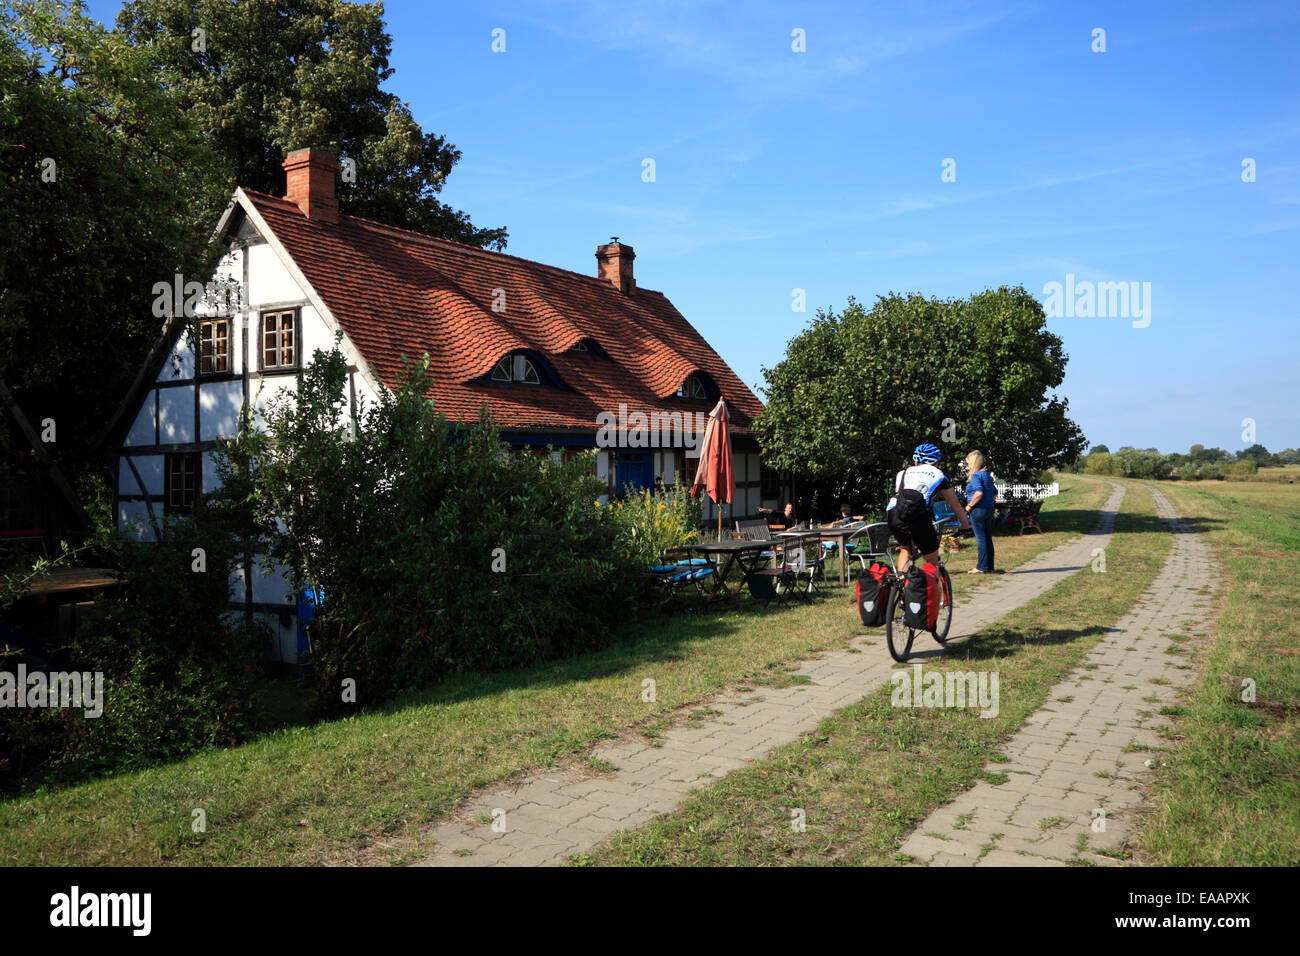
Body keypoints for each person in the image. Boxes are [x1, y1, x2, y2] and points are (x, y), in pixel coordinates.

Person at [886, 443, 971, 576]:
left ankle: (902, 585)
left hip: (893, 514)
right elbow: (955, 504)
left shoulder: (902, 473)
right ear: (936, 461)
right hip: (918, 515)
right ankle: (933, 593)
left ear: (915, 460)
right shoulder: (938, 475)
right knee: (931, 558)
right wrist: (965, 525)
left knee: (906, 548)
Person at [963, 450, 997, 574]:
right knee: (987, 538)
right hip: (988, 509)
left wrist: (969, 506)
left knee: (981, 539)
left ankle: (981, 567)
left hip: (978, 510)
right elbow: (994, 492)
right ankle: (989, 566)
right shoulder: (987, 475)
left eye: (968, 462)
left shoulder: (976, 475)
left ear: (974, 462)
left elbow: (979, 492)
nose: (967, 465)